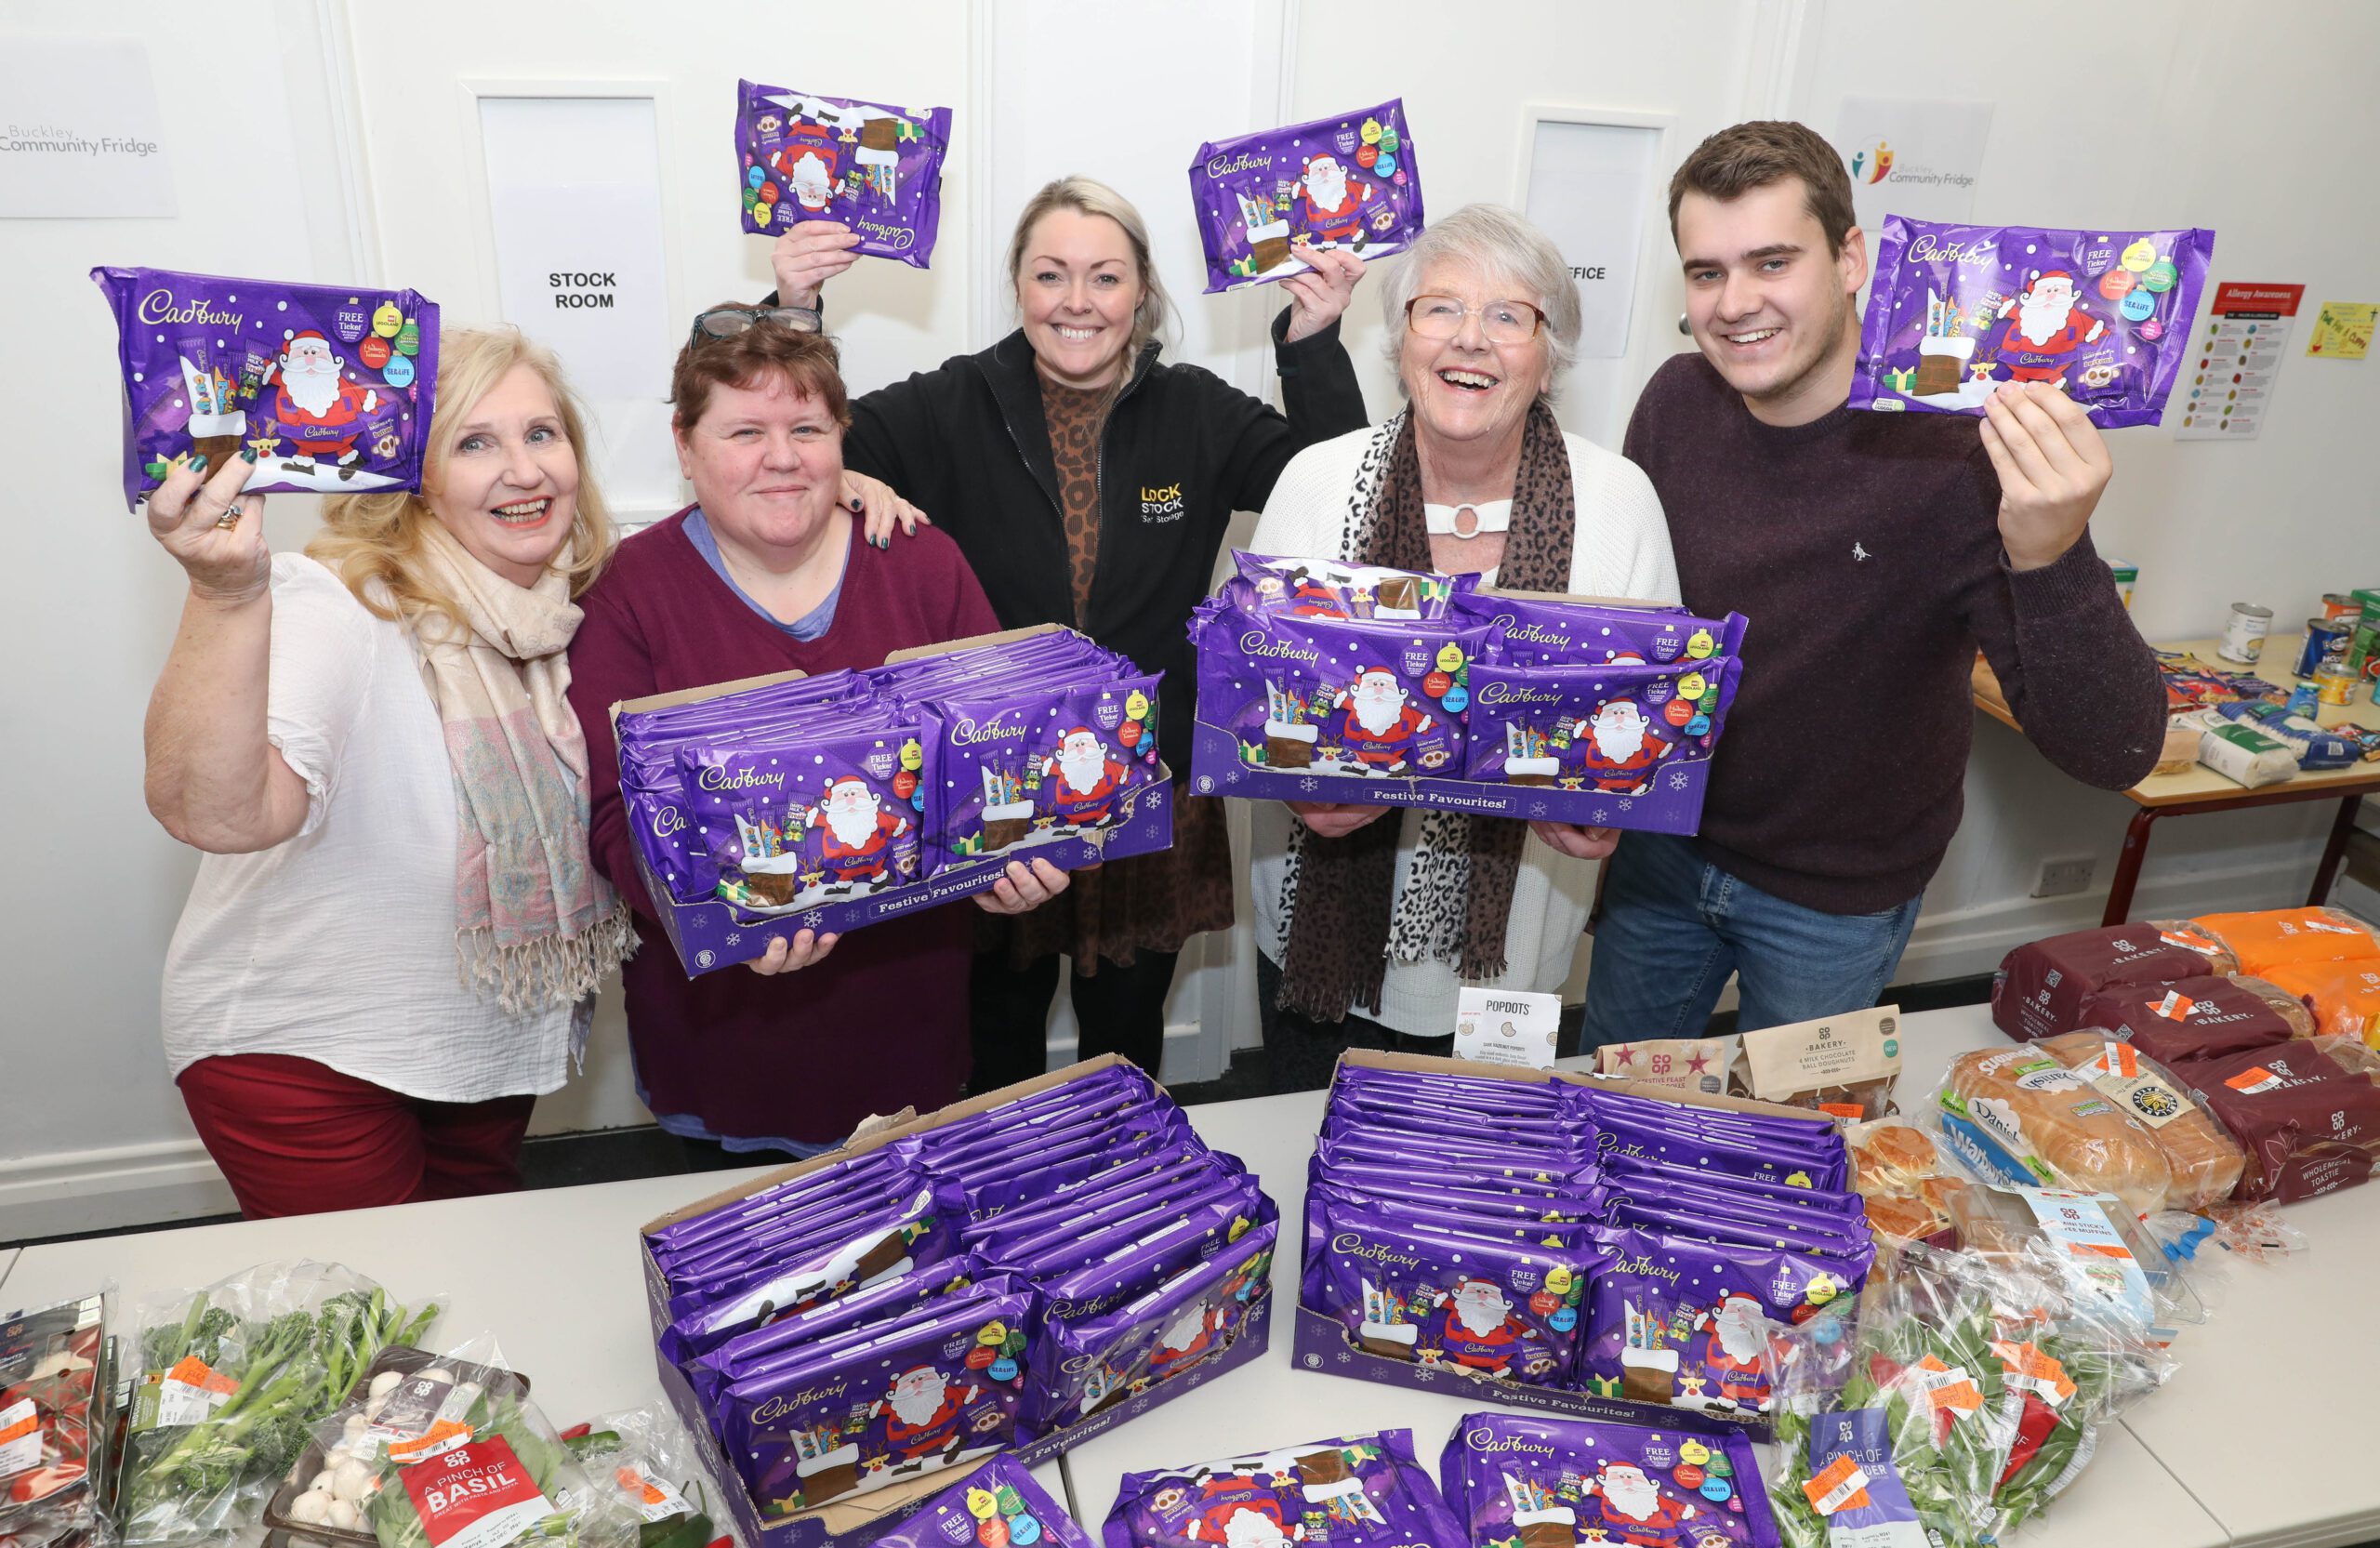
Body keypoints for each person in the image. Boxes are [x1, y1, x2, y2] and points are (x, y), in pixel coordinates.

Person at [767, 176, 1369, 1086]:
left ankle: (1124, 1201)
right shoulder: (950, 404)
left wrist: (1314, 341)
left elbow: (1333, 488)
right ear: (1018, 285)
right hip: (989, 779)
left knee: (1124, 1044)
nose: (1077, 302)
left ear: (1141, 292)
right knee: (994, 1039)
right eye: (1051, 275)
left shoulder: (1198, 412)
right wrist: (798, 314)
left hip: (1145, 777)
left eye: (1104, 277)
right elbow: (795, 447)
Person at [1579, 120, 2163, 1046]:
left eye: (1772, 262)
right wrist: (1593, 791)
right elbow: (1633, 634)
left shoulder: (1960, 450)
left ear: (1850, 258)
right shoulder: (1674, 401)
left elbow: (2117, 749)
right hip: (1660, 855)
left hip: (1833, 901)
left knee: (1787, 1149)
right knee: (1611, 1091)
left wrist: (2055, 554)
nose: (1734, 303)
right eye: (1705, 272)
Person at [145, 327, 637, 1218]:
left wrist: (848, 483)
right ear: (411, 474)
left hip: (477, 1041)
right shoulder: (338, 604)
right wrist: (222, 594)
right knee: (377, 1318)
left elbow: (727, 539)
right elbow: (219, 812)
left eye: (542, 433)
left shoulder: (567, 607)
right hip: (304, 1051)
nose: (523, 471)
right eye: (475, 441)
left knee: (467, 1293)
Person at [567, 318, 1070, 1164]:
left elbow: (998, 760)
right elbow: (612, 815)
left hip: (906, 1035)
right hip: (720, 1045)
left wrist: (1016, 866)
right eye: (744, 432)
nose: (782, 456)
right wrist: (722, 923)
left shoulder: (923, 563)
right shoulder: (629, 591)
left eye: (807, 429)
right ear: (686, 448)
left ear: (842, 437)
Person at [1244, 205, 1678, 1087]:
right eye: (1439, 308)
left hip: (1512, 961)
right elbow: (1254, 695)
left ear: (1549, 354)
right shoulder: (1317, 481)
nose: (1469, 340)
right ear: (1402, 339)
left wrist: (1612, 811)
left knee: (1480, 1186)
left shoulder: (1618, 500)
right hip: (1319, 936)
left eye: (1508, 316)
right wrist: (1293, 787)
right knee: (1316, 1160)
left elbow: (1659, 719)